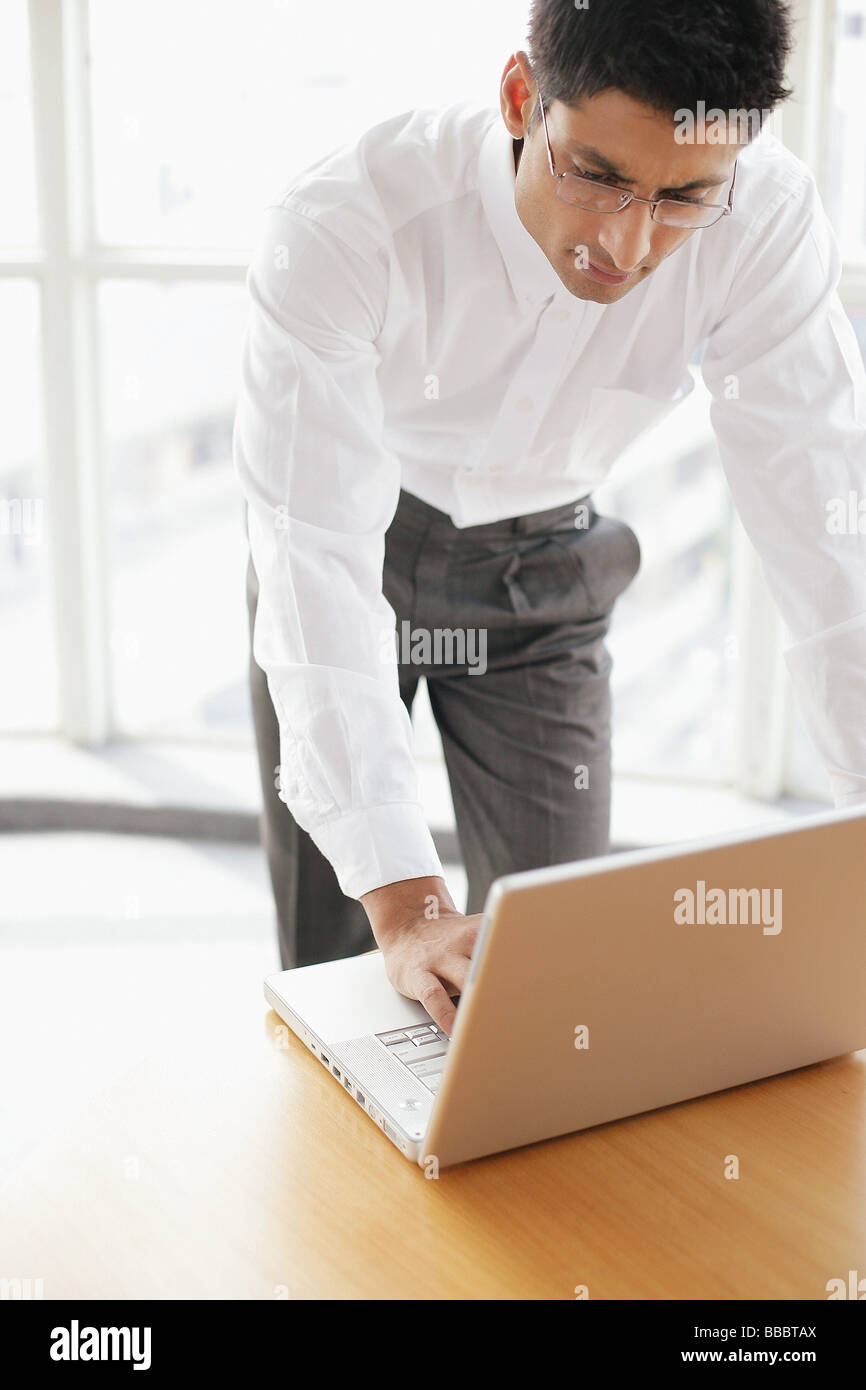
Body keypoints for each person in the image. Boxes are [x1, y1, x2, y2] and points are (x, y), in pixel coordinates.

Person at [234, 0, 866, 1036]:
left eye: (683, 196)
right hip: (354, 556)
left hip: (548, 570)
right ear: (523, 97)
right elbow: (311, 549)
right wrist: (406, 907)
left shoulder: (764, 225)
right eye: (597, 175)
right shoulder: (345, 220)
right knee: (353, 968)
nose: (625, 243)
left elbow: (825, 523)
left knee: (554, 982)